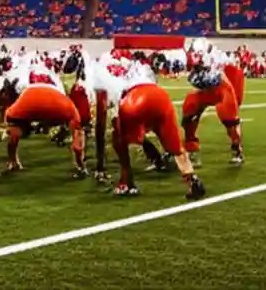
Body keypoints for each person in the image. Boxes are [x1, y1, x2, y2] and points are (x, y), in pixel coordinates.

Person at [88, 55, 206, 200]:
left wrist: (100, 164)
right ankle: (191, 179)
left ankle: (126, 181)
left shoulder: (100, 71)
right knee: (176, 148)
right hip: (159, 96)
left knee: (119, 139)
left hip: (134, 99)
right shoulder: (135, 65)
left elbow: (101, 117)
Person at [0, 53, 85, 175]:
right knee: (76, 127)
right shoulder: (55, 77)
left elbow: (7, 94)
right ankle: (81, 165)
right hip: (58, 99)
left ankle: (14, 162)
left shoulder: (23, 72)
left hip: (29, 96)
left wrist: (10, 118)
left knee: (13, 124)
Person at [181, 38, 245, 166]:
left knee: (228, 119)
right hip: (208, 91)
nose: (192, 56)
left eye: (195, 53)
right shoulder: (197, 62)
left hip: (222, 89)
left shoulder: (217, 60)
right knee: (189, 107)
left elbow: (217, 77)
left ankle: (237, 149)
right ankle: (191, 149)